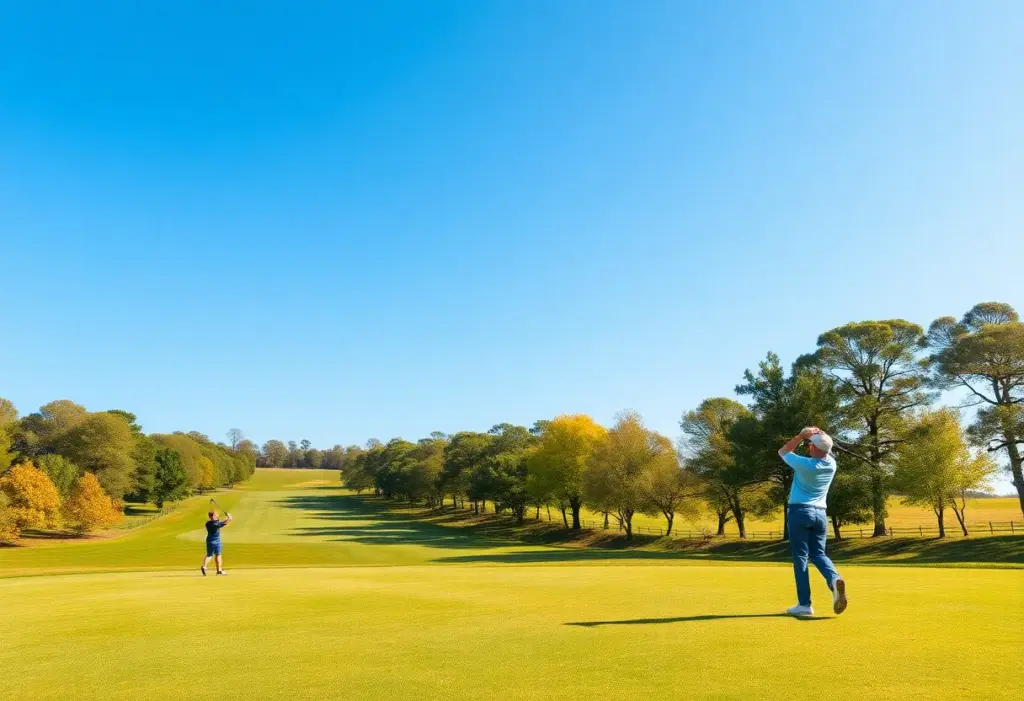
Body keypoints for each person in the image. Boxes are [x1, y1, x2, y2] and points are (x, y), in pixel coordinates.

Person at [777, 426, 847, 617]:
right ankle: (834, 579)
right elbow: (824, 446)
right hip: (820, 515)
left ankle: (804, 604)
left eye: (809, 445)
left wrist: (800, 436)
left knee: (801, 557)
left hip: (800, 512)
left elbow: (783, 451)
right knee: (818, 554)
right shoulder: (831, 464)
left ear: (814, 448)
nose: (808, 447)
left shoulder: (805, 464)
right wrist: (818, 434)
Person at [201, 510, 232, 576]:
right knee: (218, 555)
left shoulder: (208, 523)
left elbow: (219, 521)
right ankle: (219, 571)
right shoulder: (216, 524)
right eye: (215, 515)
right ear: (212, 516)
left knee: (209, 555)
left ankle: (204, 566)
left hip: (209, 540)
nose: (216, 516)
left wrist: (227, 517)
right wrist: (229, 517)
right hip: (216, 541)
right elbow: (226, 521)